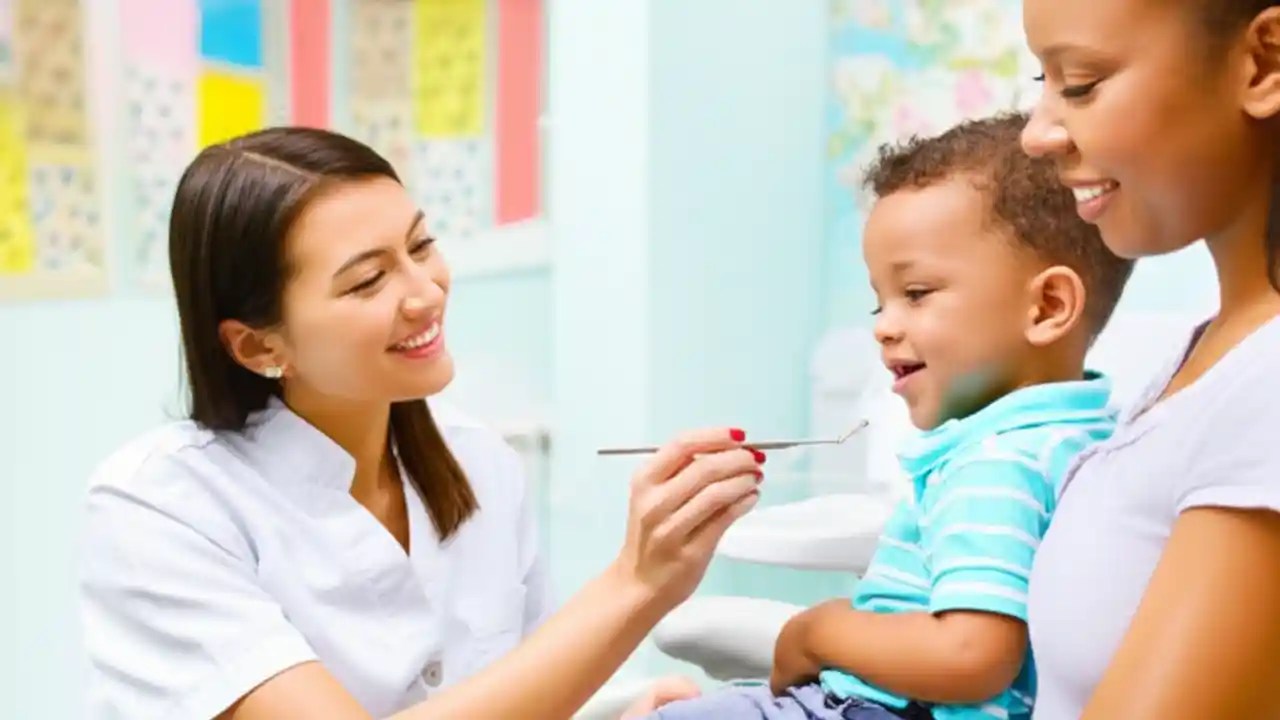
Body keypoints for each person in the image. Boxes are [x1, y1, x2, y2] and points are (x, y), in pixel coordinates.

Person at [78, 127, 766, 720]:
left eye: (421, 244)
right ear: (260, 345)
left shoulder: (479, 462)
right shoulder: (160, 508)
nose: (425, 291)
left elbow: (518, 688)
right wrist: (636, 584)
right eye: (367, 281)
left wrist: (620, 705)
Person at [640, 114, 1133, 720]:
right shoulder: (1087, 438)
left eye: (917, 293)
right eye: (881, 300)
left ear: (1048, 306)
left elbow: (972, 653)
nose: (883, 324)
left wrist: (818, 631)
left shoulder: (996, 462)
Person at [1016, 1, 1280, 717]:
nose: (1037, 134)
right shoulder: (1208, 356)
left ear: (1265, 61)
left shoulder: (1268, 385)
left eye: (1079, 84)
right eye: (1040, 80)